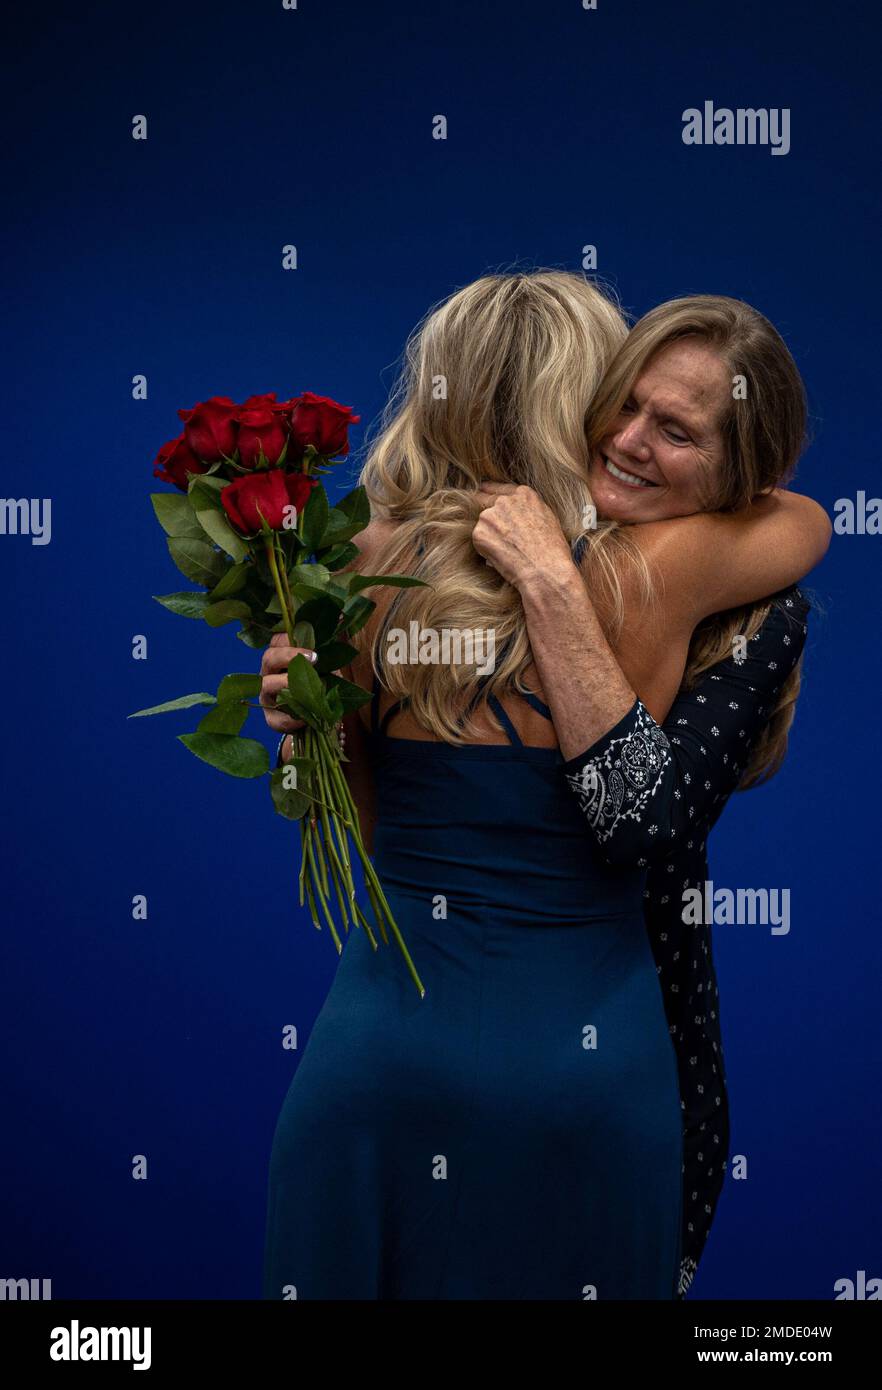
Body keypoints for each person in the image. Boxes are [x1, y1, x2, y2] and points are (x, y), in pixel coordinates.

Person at [260, 274, 829, 1299]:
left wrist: (297, 710)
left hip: (377, 1056)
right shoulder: (656, 570)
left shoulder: (353, 567)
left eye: (672, 424)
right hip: (582, 1072)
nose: (632, 434)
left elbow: (347, 816)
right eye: (622, 399)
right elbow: (804, 519)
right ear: (580, 398)